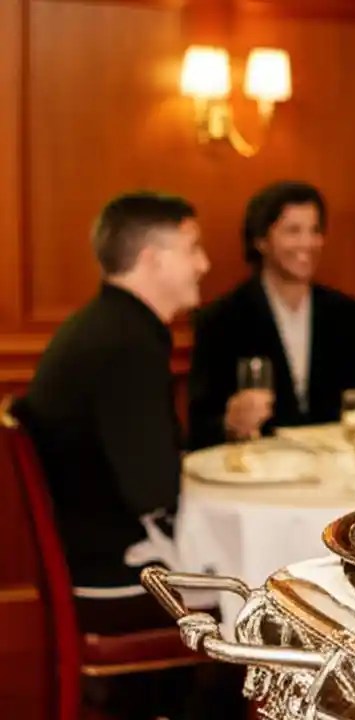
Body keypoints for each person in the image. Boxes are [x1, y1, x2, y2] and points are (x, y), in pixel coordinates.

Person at [11, 192, 241, 718]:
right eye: (193, 248)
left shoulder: (100, 326)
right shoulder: (127, 344)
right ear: (153, 259)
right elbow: (153, 490)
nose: (204, 263)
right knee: (266, 599)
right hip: (111, 578)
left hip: (86, 558)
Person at [187, 181, 355, 449]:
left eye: (315, 230)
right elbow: (200, 427)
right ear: (261, 240)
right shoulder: (220, 319)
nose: (308, 243)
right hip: (258, 475)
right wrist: (230, 422)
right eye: (293, 231)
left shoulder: (351, 315)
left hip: (338, 470)